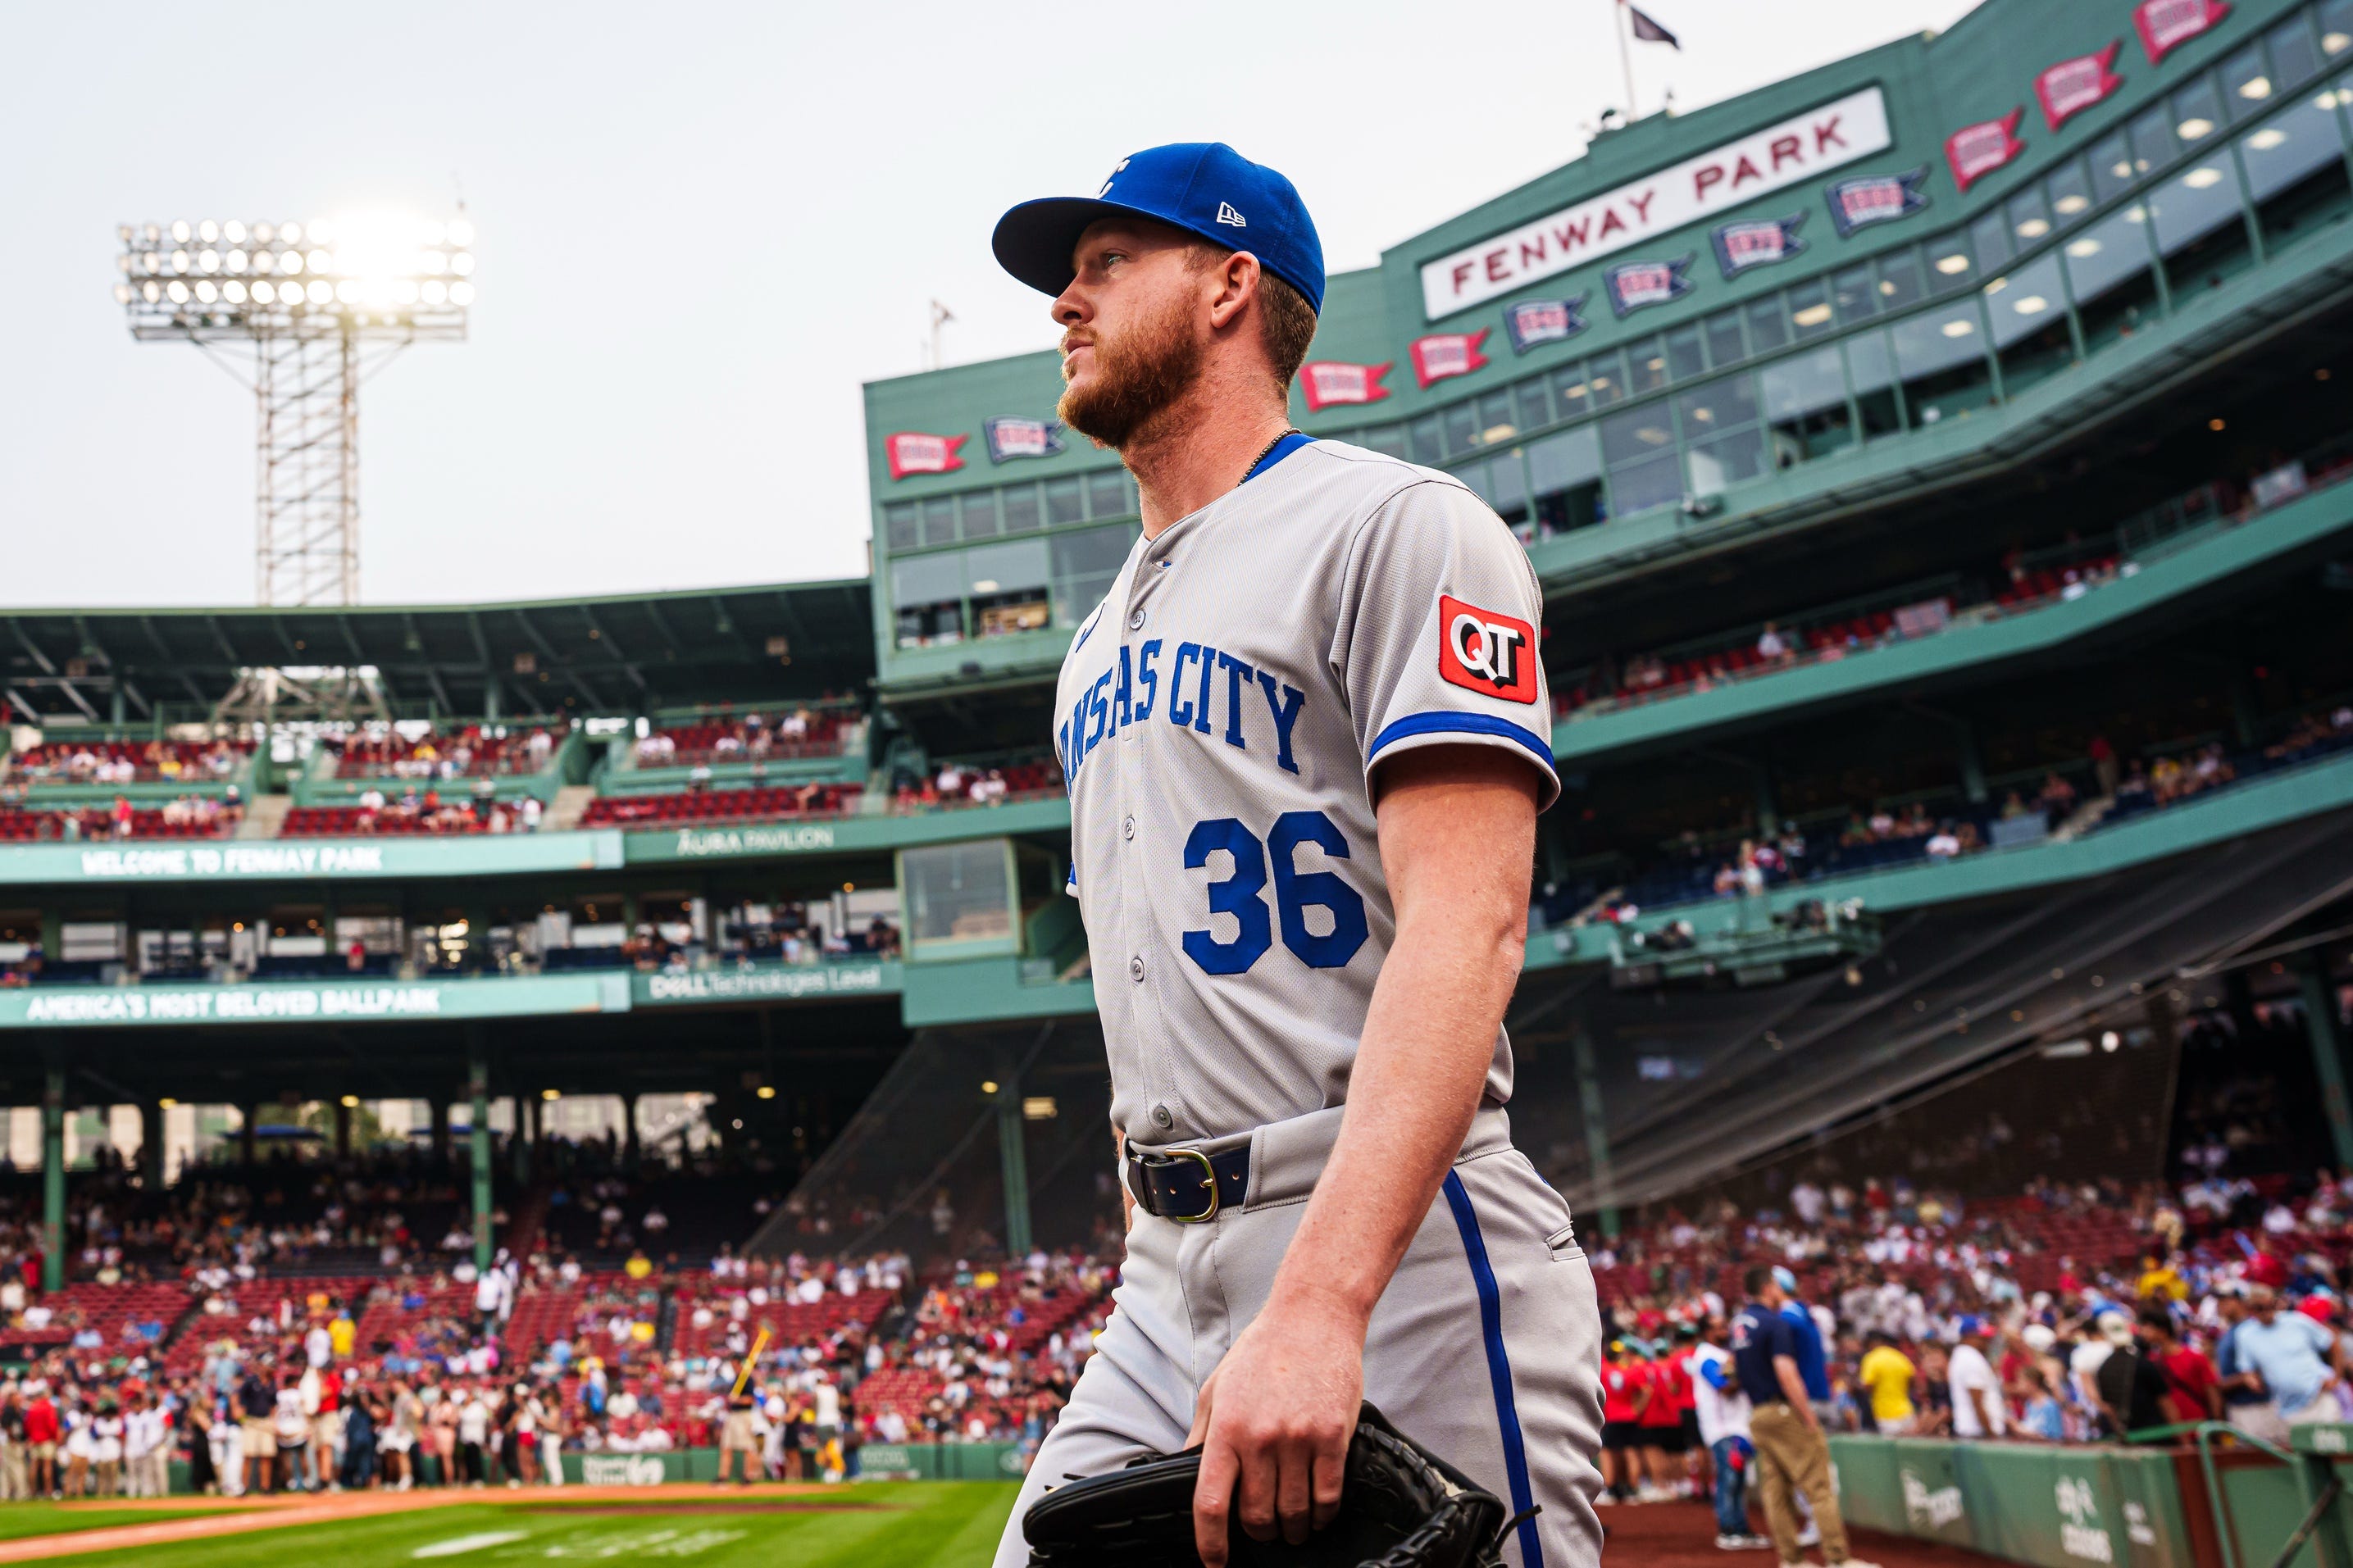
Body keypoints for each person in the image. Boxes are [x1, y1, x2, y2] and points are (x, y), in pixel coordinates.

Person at [984, 140, 1602, 1568]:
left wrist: (1323, 1304)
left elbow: (1472, 927)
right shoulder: (1093, 644)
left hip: (1403, 1247)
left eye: (1105, 266)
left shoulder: (1397, 525)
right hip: (1163, 1267)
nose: (1065, 304)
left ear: (1229, 285)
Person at [1732, 1266, 1877, 1568]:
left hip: (1757, 1413)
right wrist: (1807, 1415)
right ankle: (1839, 1559)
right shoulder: (1775, 1323)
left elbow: (1732, 1371)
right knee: (1819, 1487)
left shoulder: (1740, 1326)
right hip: (1783, 1410)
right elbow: (1786, 1373)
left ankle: (1792, 1561)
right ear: (1770, 1287)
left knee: (1776, 1493)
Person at [2226, 1284, 2347, 1442]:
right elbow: (2247, 1369)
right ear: (2251, 1309)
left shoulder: (2296, 1321)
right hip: (2286, 1409)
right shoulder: (2245, 1334)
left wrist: (2337, 1377)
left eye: (2270, 1306)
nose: (2266, 1312)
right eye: (2259, 1308)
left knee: (2334, 1448)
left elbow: (2332, 1343)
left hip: (2319, 1398)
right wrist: (2252, 1380)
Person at [1688, 1319, 1767, 1551]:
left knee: (1739, 1480)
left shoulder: (1725, 1354)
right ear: (1707, 1332)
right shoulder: (1706, 1355)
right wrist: (1746, 1371)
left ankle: (1741, 1528)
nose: (1725, 1331)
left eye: (1725, 1327)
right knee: (1729, 1479)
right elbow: (1723, 1386)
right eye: (1719, 1327)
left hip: (1738, 1426)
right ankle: (1728, 1529)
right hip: (1722, 1428)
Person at [1948, 1317, 2007, 1439]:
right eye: (1982, 1337)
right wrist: (1991, 1434)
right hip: (1978, 1434)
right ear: (1970, 1336)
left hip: (1974, 1432)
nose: (1987, 1340)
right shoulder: (1970, 1358)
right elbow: (1977, 1401)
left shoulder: (1963, 1355)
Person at [1856, 1332, 1918, 1437]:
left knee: (1892, 1451)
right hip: (1907, 1411)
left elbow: (1867, 1386)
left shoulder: (1872, 1358)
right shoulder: (1899, 1356)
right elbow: (1913, 1380)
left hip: (1886, 1414)